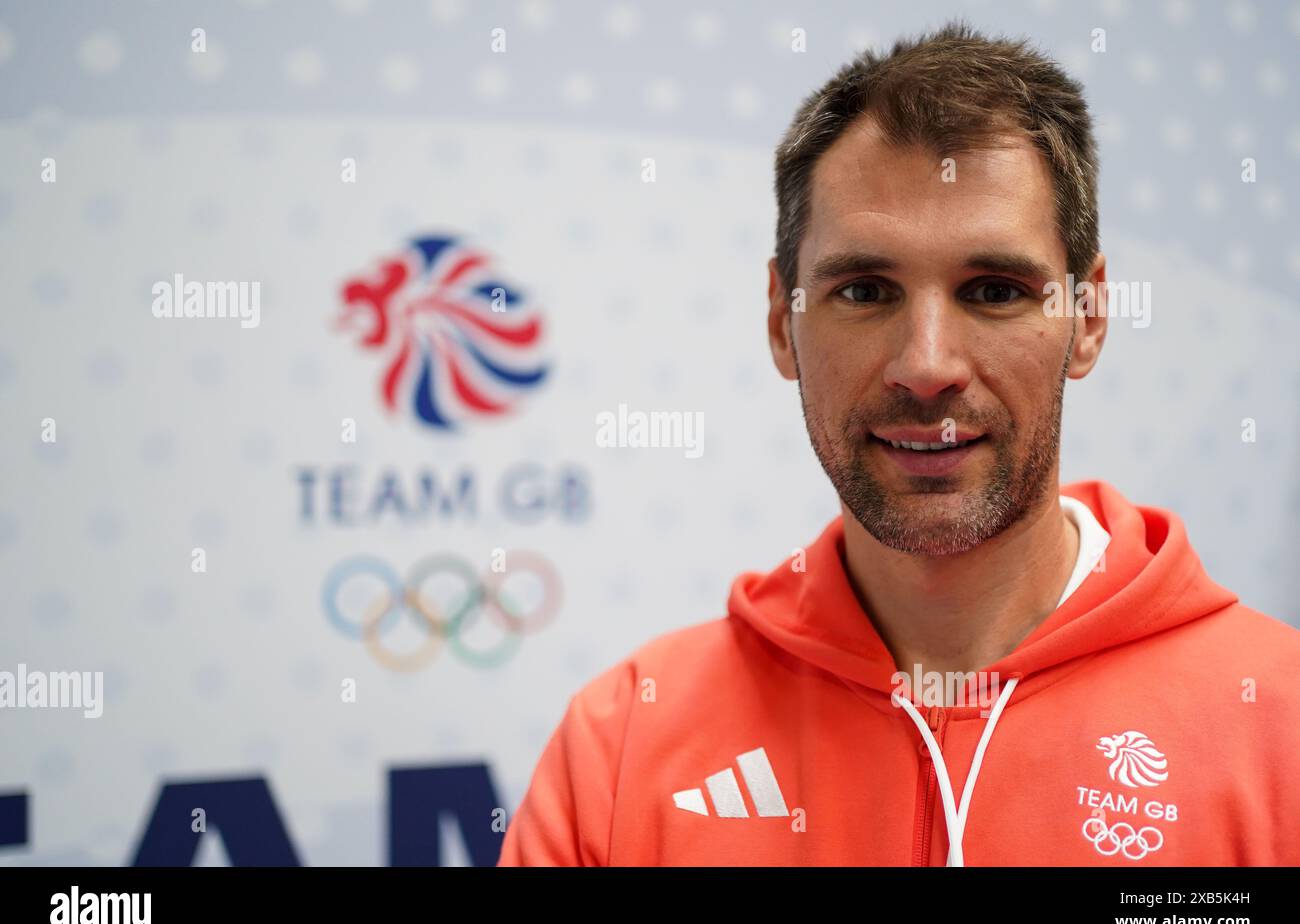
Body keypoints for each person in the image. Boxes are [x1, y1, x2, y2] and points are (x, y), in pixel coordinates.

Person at [497, 21, 1300, 866]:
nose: (927, 367)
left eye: (993, 290)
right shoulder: (623, 744)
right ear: (783, 320)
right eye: (866, 290)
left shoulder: (1280, 719)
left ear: (1090, 316)